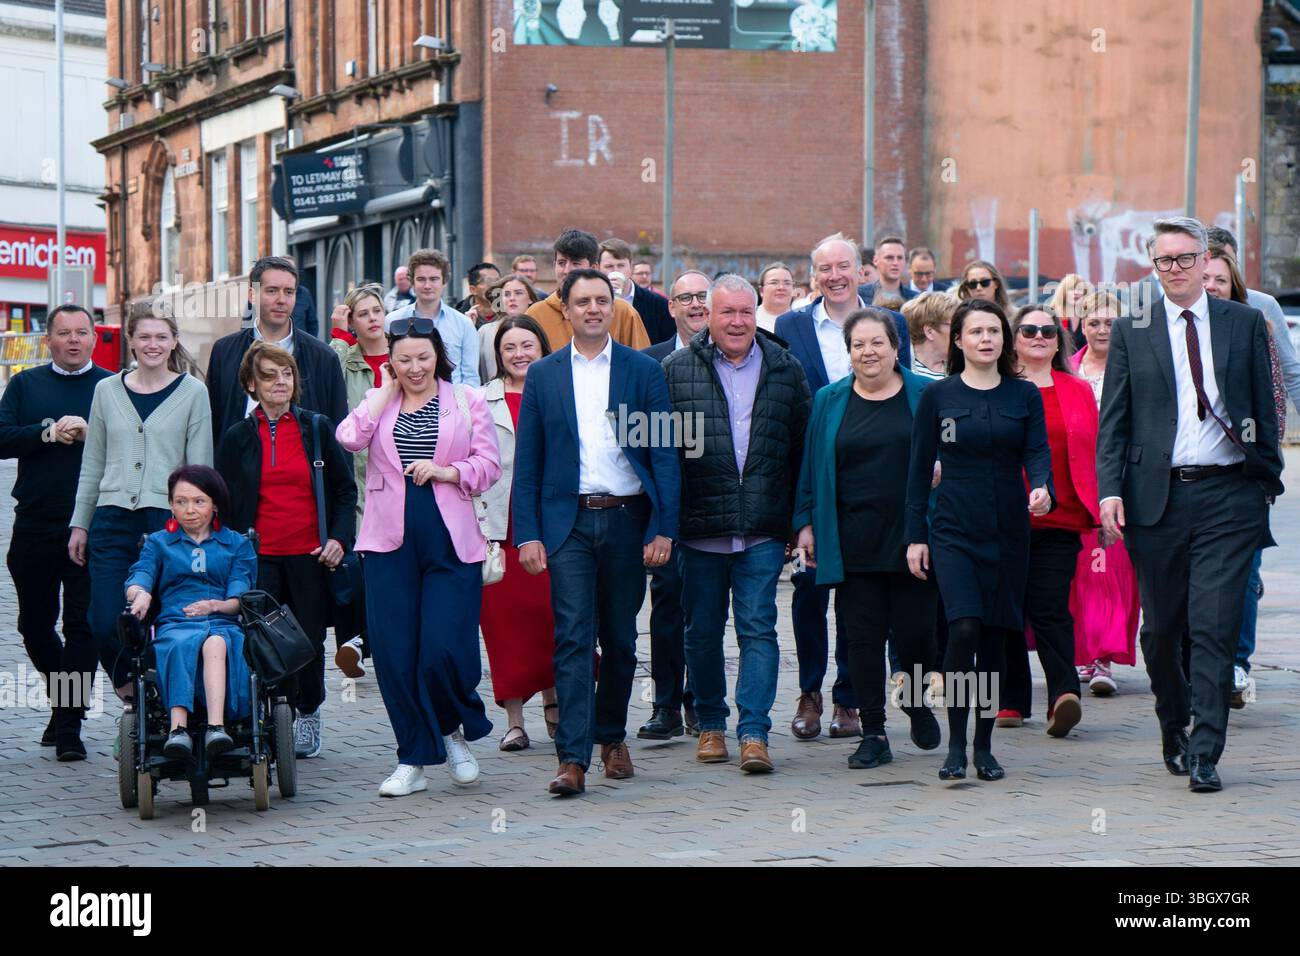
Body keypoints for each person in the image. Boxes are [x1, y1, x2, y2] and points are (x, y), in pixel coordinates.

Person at [1097, 217, 1282, 793]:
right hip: (1157, 497)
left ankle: (1206, 750)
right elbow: (1115, 420)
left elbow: (1264, 408)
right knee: (1161, 632)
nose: (1174, 269)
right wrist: (1109, 489)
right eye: (1163, 261)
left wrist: (1265, 480)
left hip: (1229, 494)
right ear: (1152, 267)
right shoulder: (1135, 327)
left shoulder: (1244, 323)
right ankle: (1172, 723)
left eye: (1184, 258)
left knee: (1214, 624)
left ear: (1208, 261)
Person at [512, 268, 679, 797]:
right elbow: (529, 464)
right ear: (564, 309)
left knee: (623, 640)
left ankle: (612, 736)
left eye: (600, 300)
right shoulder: (544, 375)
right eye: (581, 301)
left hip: (629, 521)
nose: (591, 309)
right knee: (573, 638)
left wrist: (663, 527)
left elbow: (665, 454)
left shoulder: (642, 370)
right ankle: (573, 758)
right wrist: (528, 534)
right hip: (569, 524)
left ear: (613, 307)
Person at [335, 321, 502, 796]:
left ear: (438, 357)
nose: (414, 368)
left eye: (423, 358)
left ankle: (451, 732)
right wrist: (382, 394)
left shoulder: (466, 400)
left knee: (443, 648)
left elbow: (489, 465)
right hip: (388, 540)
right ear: (391, 360)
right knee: (394, 654)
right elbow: (348, 438)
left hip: (451, 538)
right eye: (404, 359)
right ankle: (413, 756)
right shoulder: (380, 399)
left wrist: (448, 470)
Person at [662, 275, 811, 773]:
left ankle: (753, 732)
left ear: (756, 313)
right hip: (700, 524)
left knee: (758, 628)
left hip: (764, 526)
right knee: (701, 631)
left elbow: (802, 451)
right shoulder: (675, 370)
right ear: (709, 314)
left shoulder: (786, 369)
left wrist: (799, 519)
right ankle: (709, 723)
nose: (737, 322)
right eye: (727, 312)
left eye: (746, 312)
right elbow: (662, 455)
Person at [905, 299, 1054, 782]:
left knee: (994, 635)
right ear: (959, 341)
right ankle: (954, 745)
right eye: (976, 331)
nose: (986, 339)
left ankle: (984, 747)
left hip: (1009, 528)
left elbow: (1037, 451)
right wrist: (914, 537)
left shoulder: (1023, 396)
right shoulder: (938, 397)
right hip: (953, 528)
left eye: (994, 330)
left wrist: (1041, 486)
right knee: (963, 627)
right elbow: (915, 473)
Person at [777, 233, 912, 740]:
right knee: (809, 588)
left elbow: (909, 384)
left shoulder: (890, 322)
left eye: (843, 266)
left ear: (862, 272)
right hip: (813, 473)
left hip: (872, 480)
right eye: (824, 268)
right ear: (814, 276)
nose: (834, 275)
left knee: (861, 596)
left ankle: (849, 698)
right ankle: (809, 692)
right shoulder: (790, 326)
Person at [793, 308, 941, 770]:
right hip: (851, 537)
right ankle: (874, 731)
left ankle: (915, 702)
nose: (868, 352)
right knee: (861, 637)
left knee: (918, 636)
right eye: (859, 344)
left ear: (896, 347)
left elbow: (955, 452)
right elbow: (811, 465)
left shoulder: (926, 394)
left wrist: (945, 471)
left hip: (912, 536)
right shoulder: (828, 400)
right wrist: (805, 523)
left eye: (878, 342)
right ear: (849, 351)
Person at [216, 343, 356, 758]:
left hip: (311, 556)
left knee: (307, 641)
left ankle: (308, 714)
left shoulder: (316, 428)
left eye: (287, 374)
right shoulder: (238, 436)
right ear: (251, 383)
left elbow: (345, 492)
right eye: (269, 375)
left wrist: (338, 539)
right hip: (259, 557)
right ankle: (273, 719)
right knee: (264, 641)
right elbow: (222, 500)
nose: (280, 383)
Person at [69, 308, 212, 711]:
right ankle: (139, 697)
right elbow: (93, 461)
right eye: (145, 337)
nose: (153, 345)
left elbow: (200, 467)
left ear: (173, 342)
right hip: (112, 519)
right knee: (102, 620)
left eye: (161, 337)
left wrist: (199, 526)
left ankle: (165, 710)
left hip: (168, 524)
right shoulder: (107, 391)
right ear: (130, 340)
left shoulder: (192, 392)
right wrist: (80, 523)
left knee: (168, 620)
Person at [0, 304, 111, 759]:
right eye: (63, 333)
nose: (72, 340)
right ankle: (64, 701)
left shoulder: (110, 387)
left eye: (81, 333)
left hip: (91, 523)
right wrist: (46, 434)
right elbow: (2, 438)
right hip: (36, 522)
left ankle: (68, 726)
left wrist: (93, 435)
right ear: (48, 340)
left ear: (93, 338)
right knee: (34, 626)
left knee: (82, 623)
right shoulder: (26, 384)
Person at [1205, 225, 1300, 706]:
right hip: (1195, 466)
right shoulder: (1171, 317)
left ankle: (1238, 664)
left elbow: (1289, 371)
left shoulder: (1261, 309)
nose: (1211, 282)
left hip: (1251, 463)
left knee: (1248, 568)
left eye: (1221, 271)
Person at [997, 305, 1097, 738]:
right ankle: (1012, 699)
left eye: (1047, 330)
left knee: (1050, 606)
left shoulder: (1077, 390)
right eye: (1028, 330)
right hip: (1002, 515)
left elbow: (1094, 452)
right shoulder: (1000, 389)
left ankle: (1063, 694)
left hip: (1061, 516)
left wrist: (1107, 507)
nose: (1038, 336)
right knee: (1007, 610)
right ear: (1014, 339)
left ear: (1058, 340)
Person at [124, 466, 257, 761]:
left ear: (215, 504)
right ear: (170, 504)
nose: (189, 510)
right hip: (176, 623)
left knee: (216, 642)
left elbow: (239, 596)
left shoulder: (237, 545)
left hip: (221, 621)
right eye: (180, 501)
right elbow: (140, 575)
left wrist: (215, 606)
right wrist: (140, 593)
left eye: (199, 501)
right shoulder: (159, 543)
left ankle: (216, 727)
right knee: (180, 643)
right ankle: (177, 729)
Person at [637, 270, 713, 739]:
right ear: (672, 307)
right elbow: (639, 436)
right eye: (685, 298)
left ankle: (702, 704)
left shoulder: (734, 357)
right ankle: (665, 704)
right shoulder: (650, 363)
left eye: (703, 296)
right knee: (666, 607)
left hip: (715, 502)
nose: (695, 305)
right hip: (664, 506)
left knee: (706, 609)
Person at [478, 315, 558, 750]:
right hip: (497, 528)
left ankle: (555, 701)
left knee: (551, 617)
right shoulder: (480, 400)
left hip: (552, 522)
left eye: (527, 345)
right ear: (498, 355)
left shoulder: (557, 391)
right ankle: (514, 721)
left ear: (542, 347)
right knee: (503, 626)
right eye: (509, 347)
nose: (519, 354)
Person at [1069, 291, 1139, 695]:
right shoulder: (1069, 368)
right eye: (1094, 322)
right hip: (1076, 484)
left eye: (1110, 323)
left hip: (1120, 483)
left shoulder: (1135, 367)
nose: (1101, 330)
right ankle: (1081, 654)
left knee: (1112, 572)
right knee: (1080, 572)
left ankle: (1103, 659)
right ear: (1081, 326)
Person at [207, 255, 348, 442]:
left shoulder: (323, 358)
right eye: (272, 291)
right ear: (252, 295)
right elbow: (212, 425)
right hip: (239, 468)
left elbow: (338, 431)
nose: (282, 300)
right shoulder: (224, 352)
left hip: (304, 468)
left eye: (289, 292)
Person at [328, 284, 390, 678]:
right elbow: (324, 367)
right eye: (362, 313)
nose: (372, 318)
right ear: (352, 321)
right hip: (356, 473)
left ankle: (372, 640)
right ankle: (353, 642)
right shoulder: (345, 361)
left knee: (384, 565)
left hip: (395, 473)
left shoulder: (403, 354)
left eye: (376, 310)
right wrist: (337, 331)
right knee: (354, 563)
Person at [525, 228, 650, 351]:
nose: (566, 270)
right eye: (561, 263)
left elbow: (643, 365)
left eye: (576, 263)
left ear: (594, 268)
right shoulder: (536, 315)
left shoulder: (623, 312)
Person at [385, 248, 481, 386]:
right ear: (412, 282)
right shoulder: (393, 321)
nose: (427, 285)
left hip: (453, 402)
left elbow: (470, 378)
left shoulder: (464, 324)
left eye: (434, 279)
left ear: (444, 281)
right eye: (421, 279)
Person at [599, 237, 675, 344]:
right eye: (609, 266)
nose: (615, 271)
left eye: (621, 265)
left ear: (631, 268)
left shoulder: (658, 304)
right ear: (598, 269)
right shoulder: (592, 304)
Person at [478, 273, 542, 381]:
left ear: (530, 298)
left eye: (518, 293)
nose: (512, 298)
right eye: (507, 294)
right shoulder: (485, 332)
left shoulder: (540, 329)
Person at [903, 290, 957, 381]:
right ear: (929, 332)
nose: (960, 333)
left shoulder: (961, 368)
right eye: (955, 326)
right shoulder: (901, 368)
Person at [860, 236, 917, 304]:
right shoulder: (860, 295)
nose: (895, 263)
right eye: (889, 258)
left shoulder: (915, 299)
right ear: (875, 260)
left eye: (900, 258)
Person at [1047, 273, 1092, 350]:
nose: (1076, 292)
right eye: (1071, 289)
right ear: (1063, 293)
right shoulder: (1052, 315)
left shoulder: (1089, 316)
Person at [755, 262, 796, 333]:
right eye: (774, 283)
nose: (781, 288)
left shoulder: (803, 322)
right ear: (762, 290)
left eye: (787, 283)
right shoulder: (751, 319)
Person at [285, 255, 320, 339]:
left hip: (300, 346)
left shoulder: (304, 293)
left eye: (291, 270)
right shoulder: (263, 293)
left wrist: (309, 345)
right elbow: (251, 319)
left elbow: (312, 323)